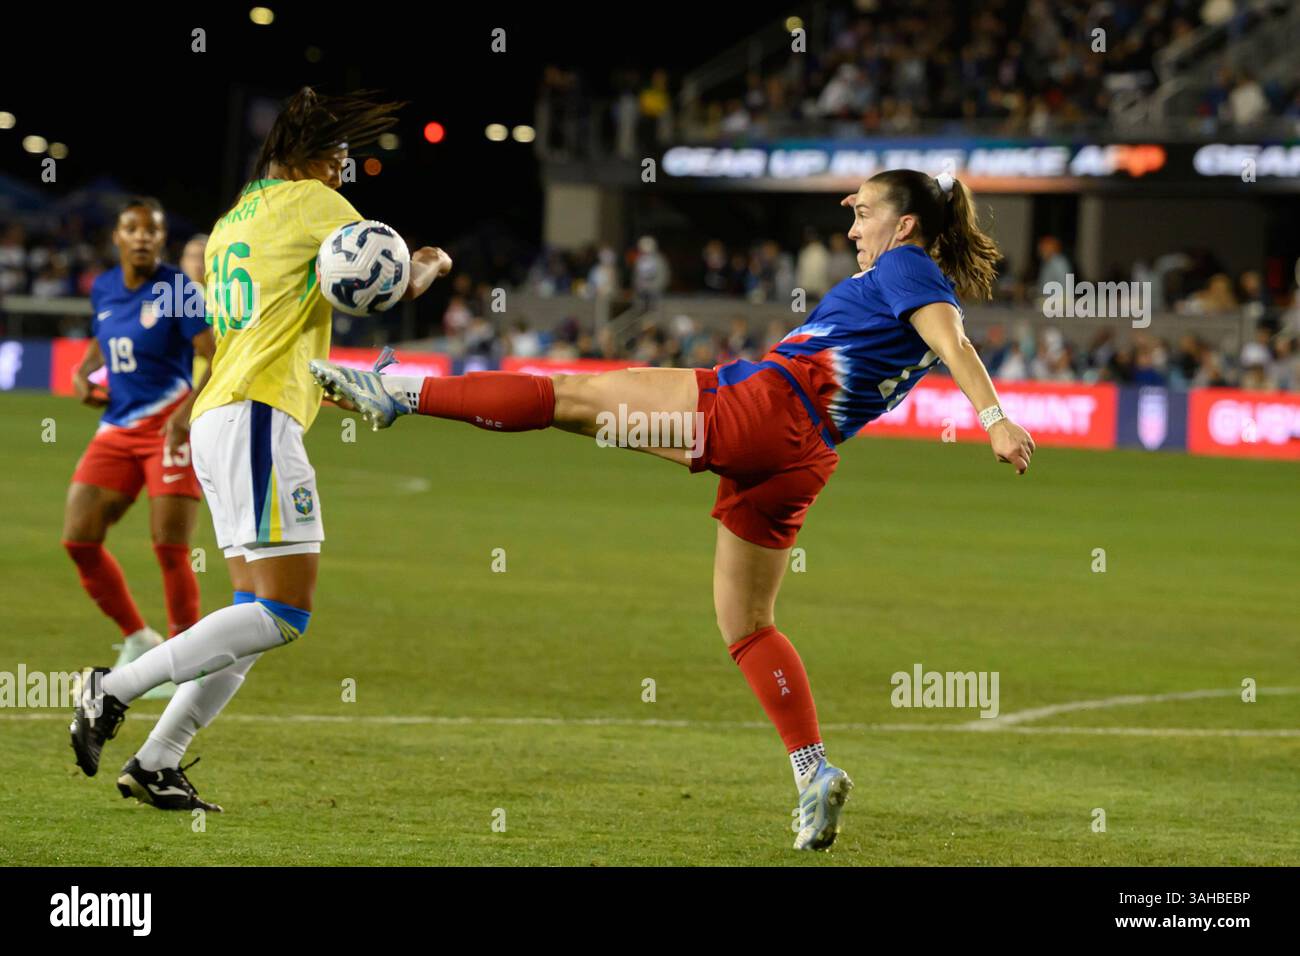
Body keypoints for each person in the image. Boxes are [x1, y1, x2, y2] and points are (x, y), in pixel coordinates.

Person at [311, 168, 1036, 851]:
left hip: (762, 410)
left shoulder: (908, 267)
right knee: (748, 625)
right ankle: (813, 773)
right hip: (800, 458)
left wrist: (994, 416)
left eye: (864, 210)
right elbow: (938, 337)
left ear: (905, 223)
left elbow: (954, 340)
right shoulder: (895, 276)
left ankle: (399, 395)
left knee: (571, 397)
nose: (852, 225)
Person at [68, 88, 453, 811]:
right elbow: (383, 279)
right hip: (256, 419)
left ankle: (157, 761)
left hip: (224, 413)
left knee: (250, 611)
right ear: (302, 157)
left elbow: (267, 323)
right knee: (285, 613)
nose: (345, 172)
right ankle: (111, 689)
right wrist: (427, 265)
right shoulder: (316, 206)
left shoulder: (229, 222)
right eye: (338, 158)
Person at [63, 197, 213, 701]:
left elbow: (217, 354)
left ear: (161, 239)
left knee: (170, 548)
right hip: (117, 427)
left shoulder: (178, 289)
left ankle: (186, 663)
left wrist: (187, 412)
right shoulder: (105, 286)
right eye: (134, 229)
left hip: (168, 429)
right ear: (118, 238)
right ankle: (137, 637)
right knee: (79, 539)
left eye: (154, 230)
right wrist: (85, 371)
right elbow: (104, 335)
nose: (144, 237)